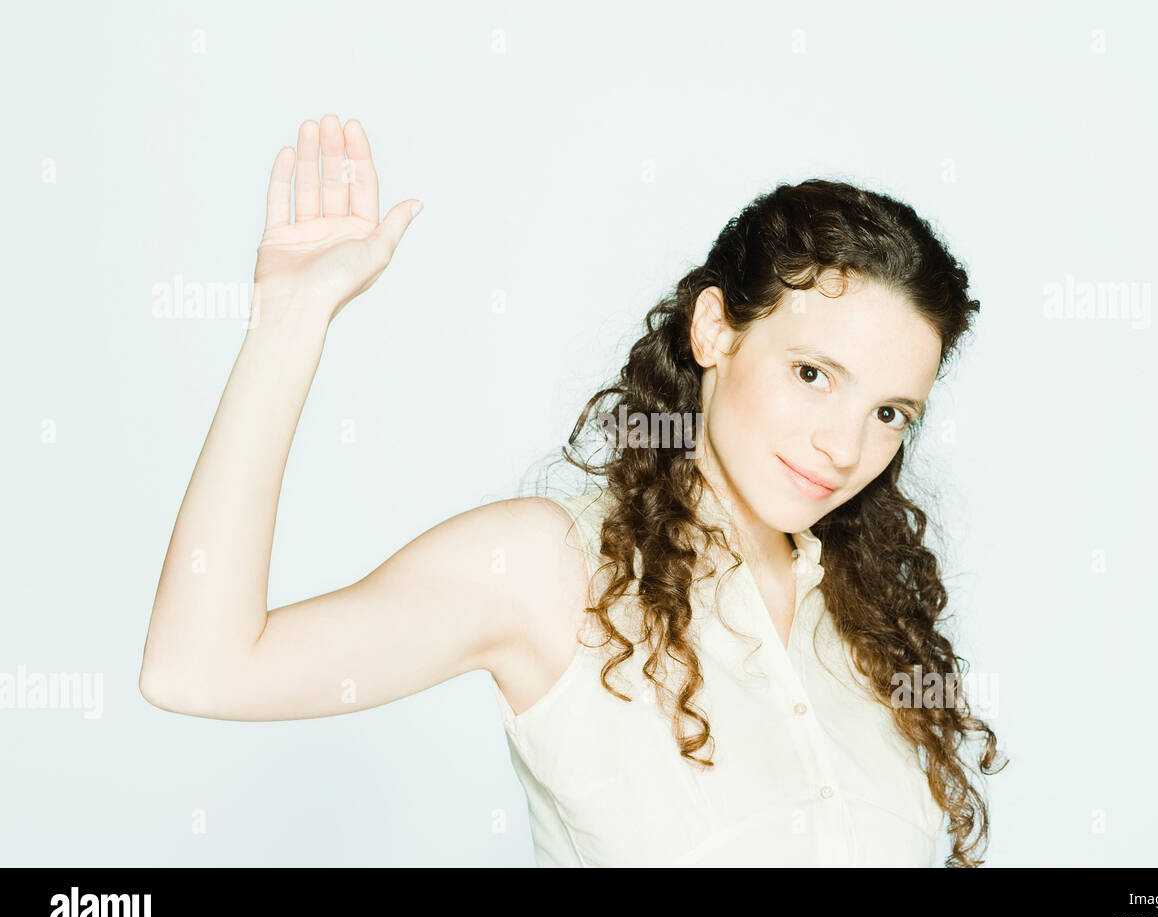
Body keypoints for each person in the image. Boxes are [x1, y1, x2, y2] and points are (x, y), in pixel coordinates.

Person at [139, 113, 1005, 868]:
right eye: (813, 373)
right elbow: (200, 668)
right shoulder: (550, 570)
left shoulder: (871, 628)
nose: (845, 445)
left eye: (891, 412)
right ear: (715, 329)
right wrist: (288, 322)